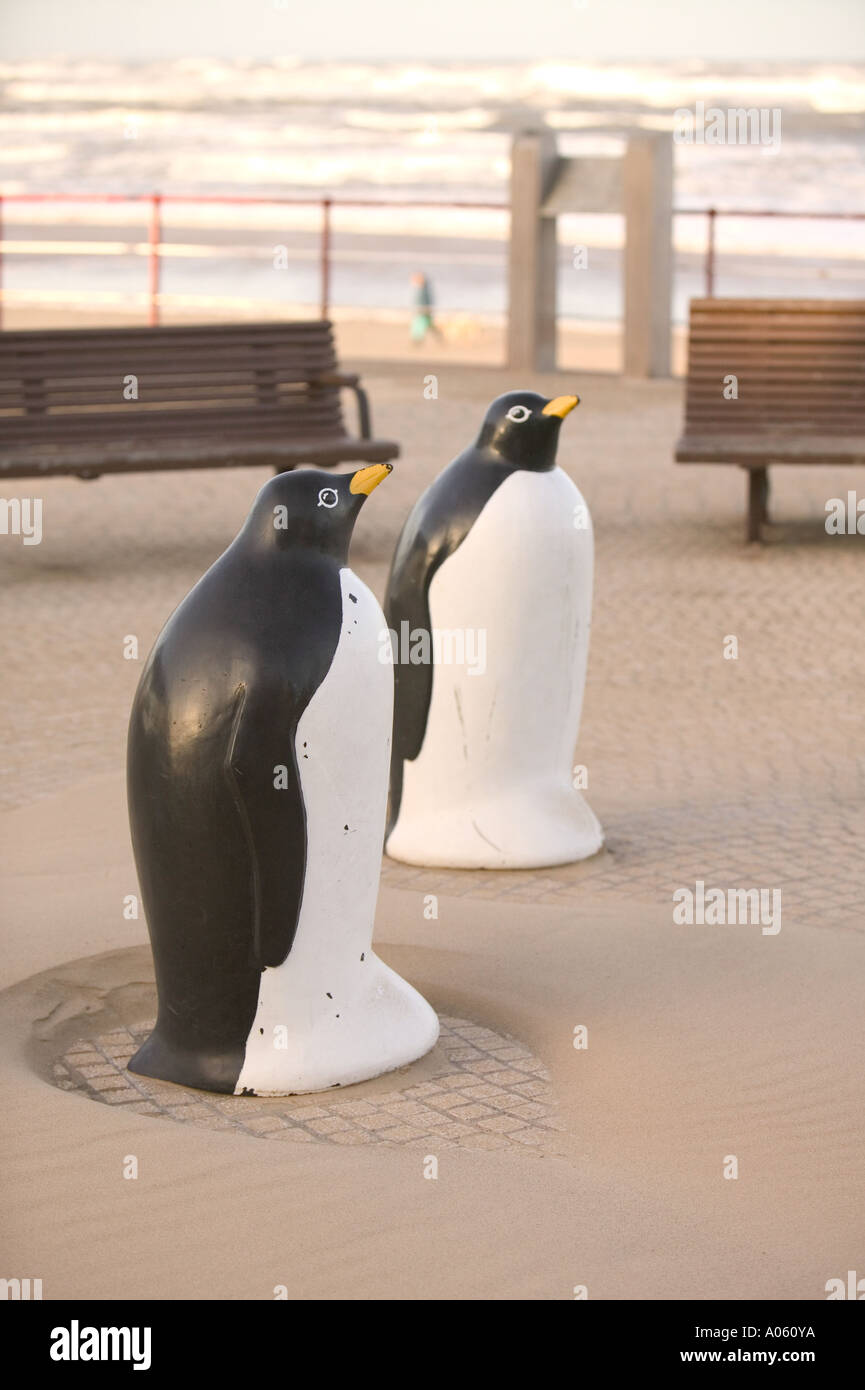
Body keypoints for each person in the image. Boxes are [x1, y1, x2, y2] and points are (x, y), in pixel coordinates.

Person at [410, 271, 441, 345]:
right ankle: (417, 339)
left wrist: (427, 309)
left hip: (424, 310)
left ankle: (418, 339)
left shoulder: (423, 290)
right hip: (420, 310)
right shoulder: (419, 289)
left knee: (423, 325)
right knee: (421, 325)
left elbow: (426, 300)